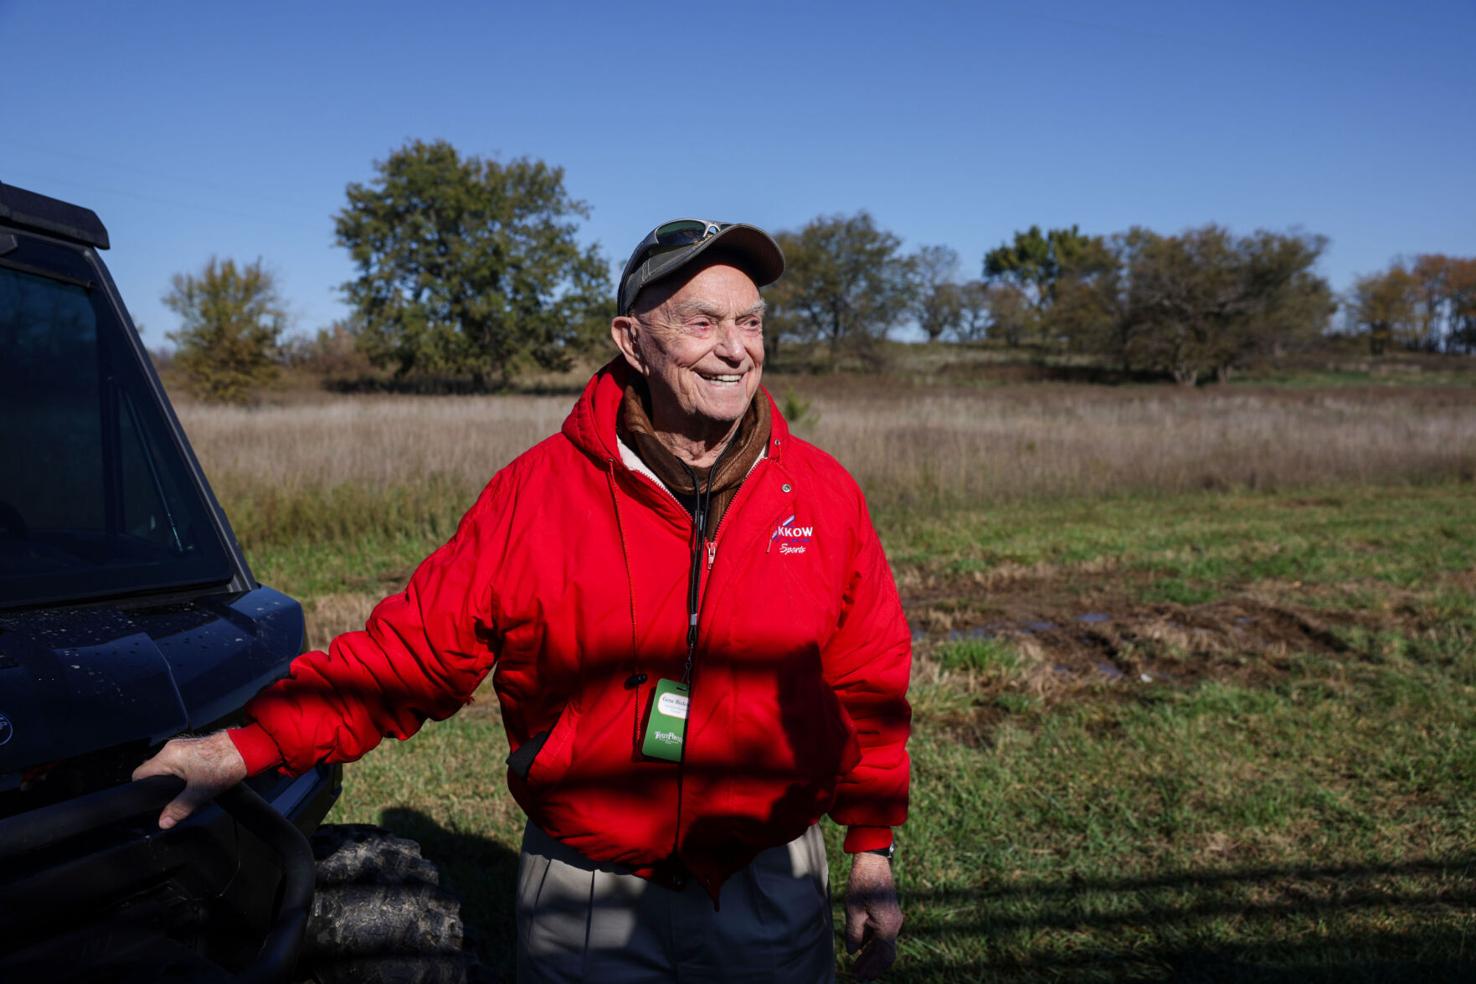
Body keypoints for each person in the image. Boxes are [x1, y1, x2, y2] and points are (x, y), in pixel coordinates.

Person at [135, 218, 912, 982]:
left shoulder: (822, 496)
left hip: (769, 878)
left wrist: (871, 847)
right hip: (590, 889)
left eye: (751, 322)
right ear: (632, 340)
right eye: (702, 322)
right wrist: (248, 745)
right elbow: (412, 655)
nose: (735, 349)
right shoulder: (535, 494)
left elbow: (868, 678)